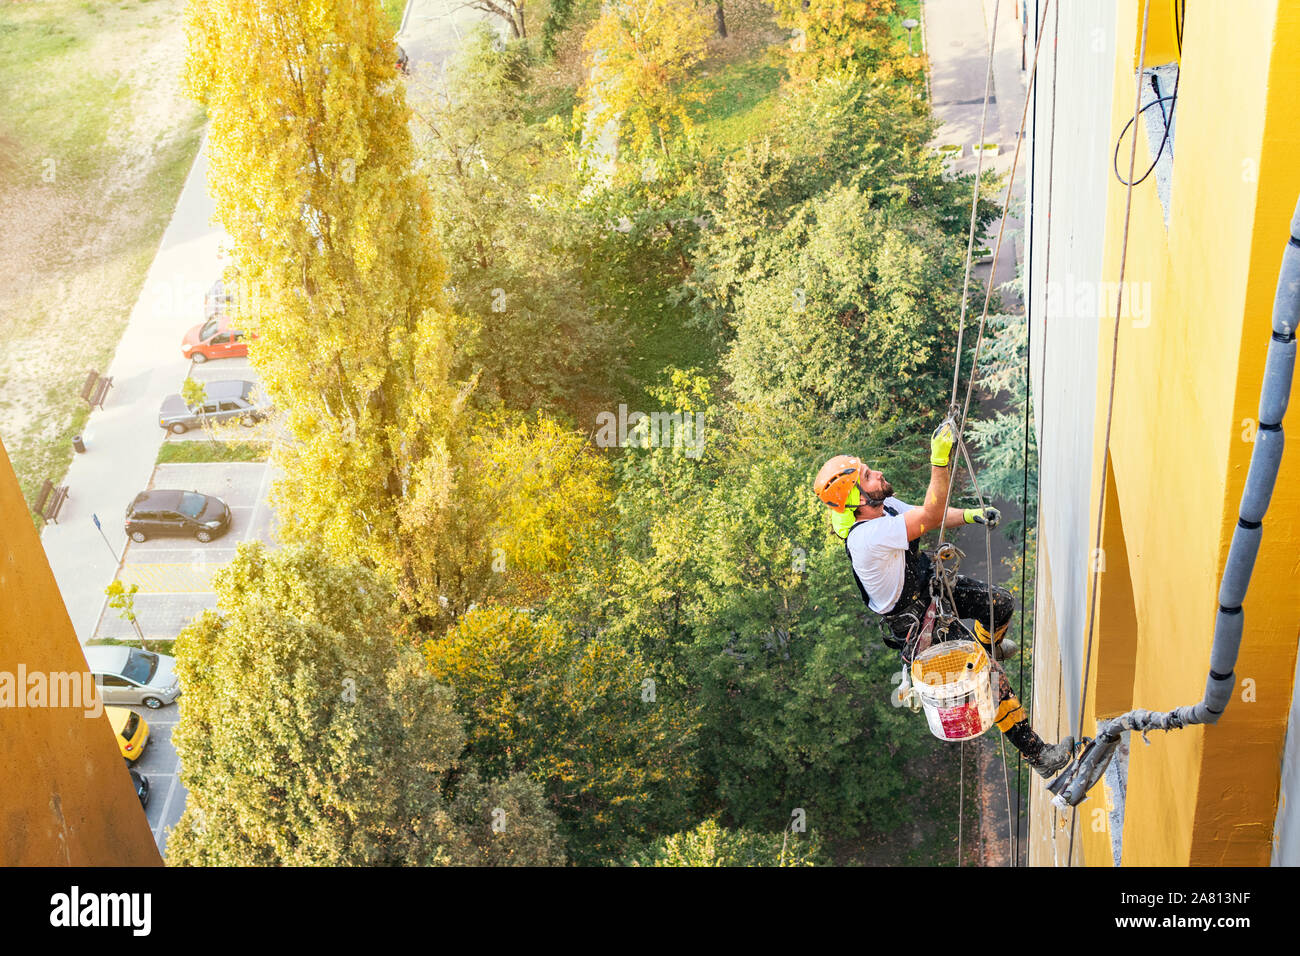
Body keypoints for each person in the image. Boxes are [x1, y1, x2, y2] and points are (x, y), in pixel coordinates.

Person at [813, 420, 1074, 779]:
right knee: (990, 681)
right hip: (921, 625)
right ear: (858, 498)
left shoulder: (883, 507)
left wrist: (969, 515)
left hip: (931, 590)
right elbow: (930, 515)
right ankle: (1040, 756)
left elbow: (929, 516)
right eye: (870, 475)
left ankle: (989, 646)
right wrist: (939, 459)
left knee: (1000, 604)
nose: (880, 474)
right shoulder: (866, 537)